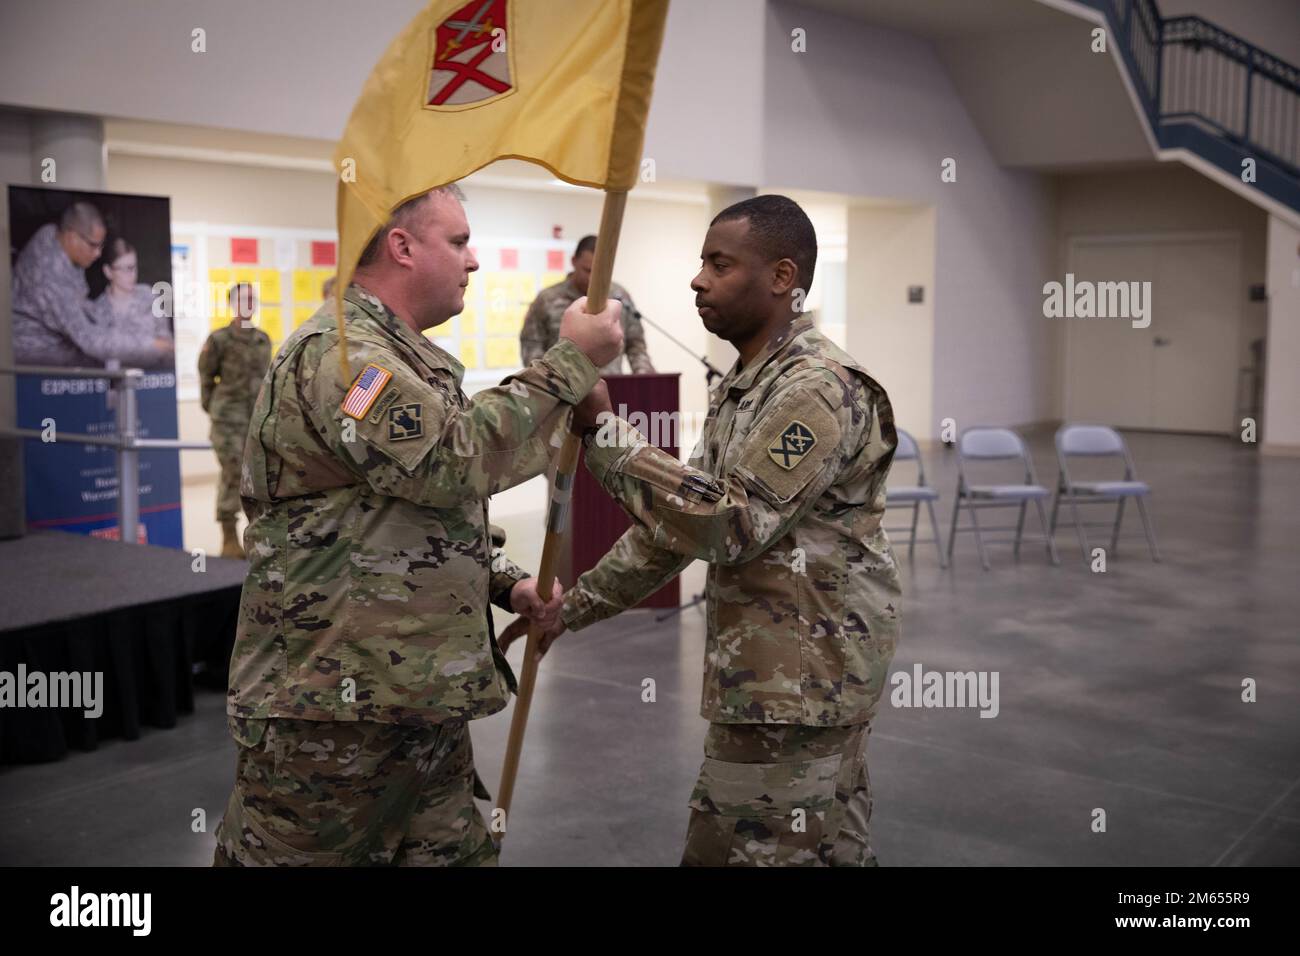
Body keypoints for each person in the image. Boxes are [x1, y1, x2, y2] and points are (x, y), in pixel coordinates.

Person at [212, 184, 623, 867]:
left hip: (417, 702)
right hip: (333, 717)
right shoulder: (343, 357)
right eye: (458, 242)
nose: (474, 262)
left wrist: (509, 584)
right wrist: (568, 362)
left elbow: (412, 515)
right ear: (402, 247)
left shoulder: (401, 358)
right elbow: (447, 460)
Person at [505, 195, 901, 867]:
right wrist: (573, 609)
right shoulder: (751, 381)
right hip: (766, 685)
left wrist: (606, 435)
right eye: (700, 263)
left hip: (802, 690)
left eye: (720, 264)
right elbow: (675, 529)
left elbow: (730, 524)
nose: (697, 280)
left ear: (781, 277)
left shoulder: (816, 387)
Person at [12, 202, 173, 367]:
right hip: (37, 355)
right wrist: (153, 346)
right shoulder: (49, 275)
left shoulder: (52, 234)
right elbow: (91, 341)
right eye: (93, 245)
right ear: (71, 237)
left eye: (100, 245)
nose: (98, 253)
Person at [197, 283, 273, 558]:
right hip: (228, 420)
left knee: (256, 476)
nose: (249, 303)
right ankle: (229, 537)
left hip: (256, 420)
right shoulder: (219, 339)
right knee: (232, 474)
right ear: (232, 303)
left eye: (253, 298)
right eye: (243, 299)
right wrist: (217, 408)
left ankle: (256, 536)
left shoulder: (263, 339)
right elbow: (206, 378)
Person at [520, 234, 655, 374]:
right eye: (588, 271)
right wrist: (547, 382)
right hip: (563, 390)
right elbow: (531, 346)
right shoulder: (546, 299)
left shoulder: (619, 297)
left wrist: (645, 379)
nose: (593, 279)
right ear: (574, 261)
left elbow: (636, 345)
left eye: (599, 272)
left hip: (611, 388)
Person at [88, 236, 175, 369]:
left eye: (134, 267)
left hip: (155, 378)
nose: (132, 274)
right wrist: (152, 345)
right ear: (108, 272)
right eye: (126, 269)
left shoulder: (150, 297)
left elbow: (167, 345)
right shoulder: (97, 311)